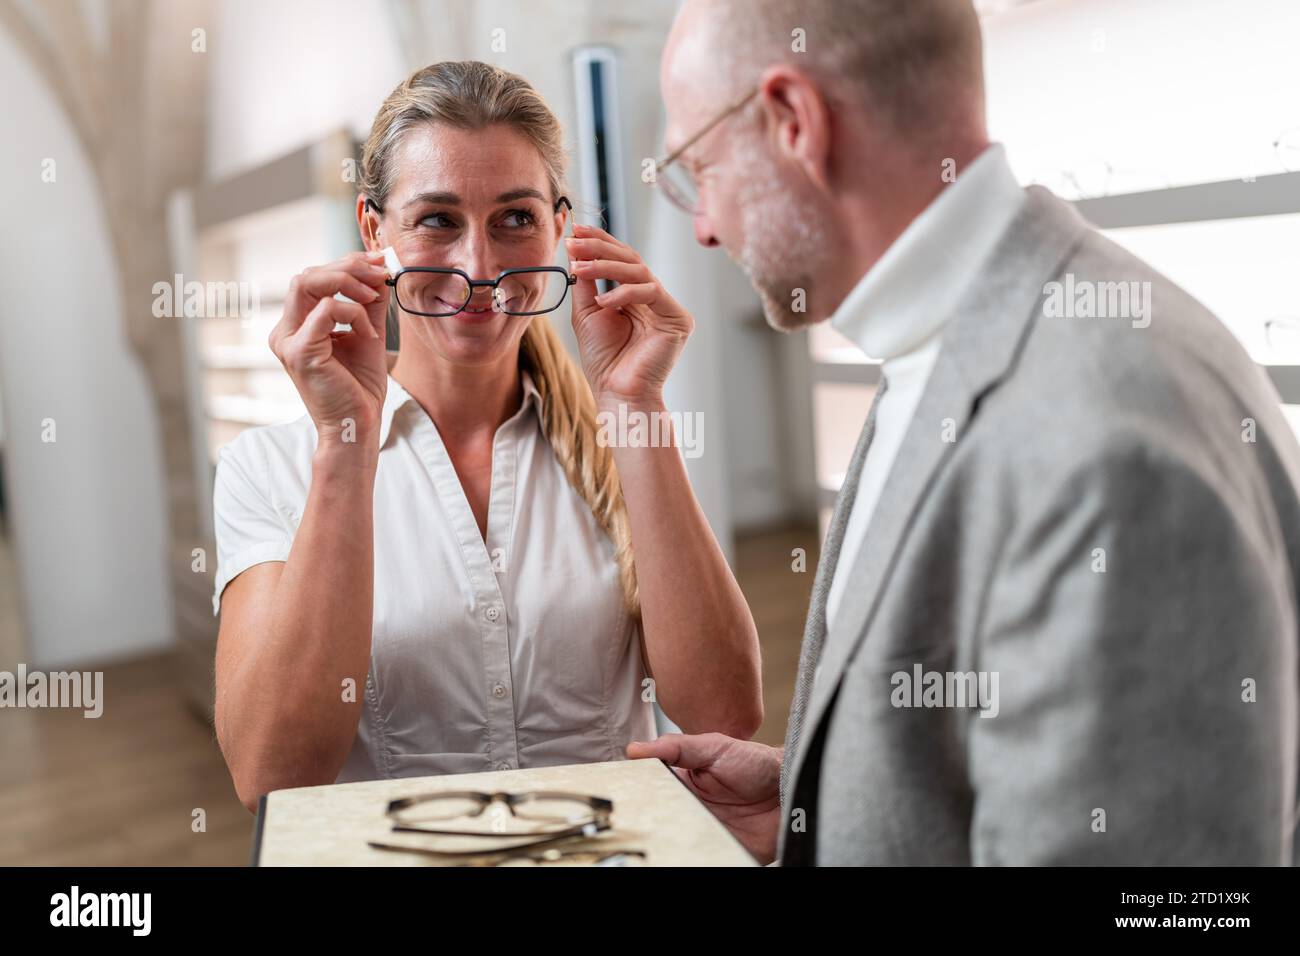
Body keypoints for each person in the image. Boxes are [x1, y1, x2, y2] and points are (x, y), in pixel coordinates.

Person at [631, 0, 1300, 865]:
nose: (705, 226)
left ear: (795, 121)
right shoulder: (951, 337)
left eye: (697, 169)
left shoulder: (1100, 446)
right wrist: (816, 800)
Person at [211, 60, 762, 812]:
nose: (480, 266)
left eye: (515, 218)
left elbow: (724, 713)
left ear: (560, 228)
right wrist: (346, 440)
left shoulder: (621, 439)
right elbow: (270, 773)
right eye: (438, 219)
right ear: (376, 231)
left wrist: (637, 403)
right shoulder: (266, 468)